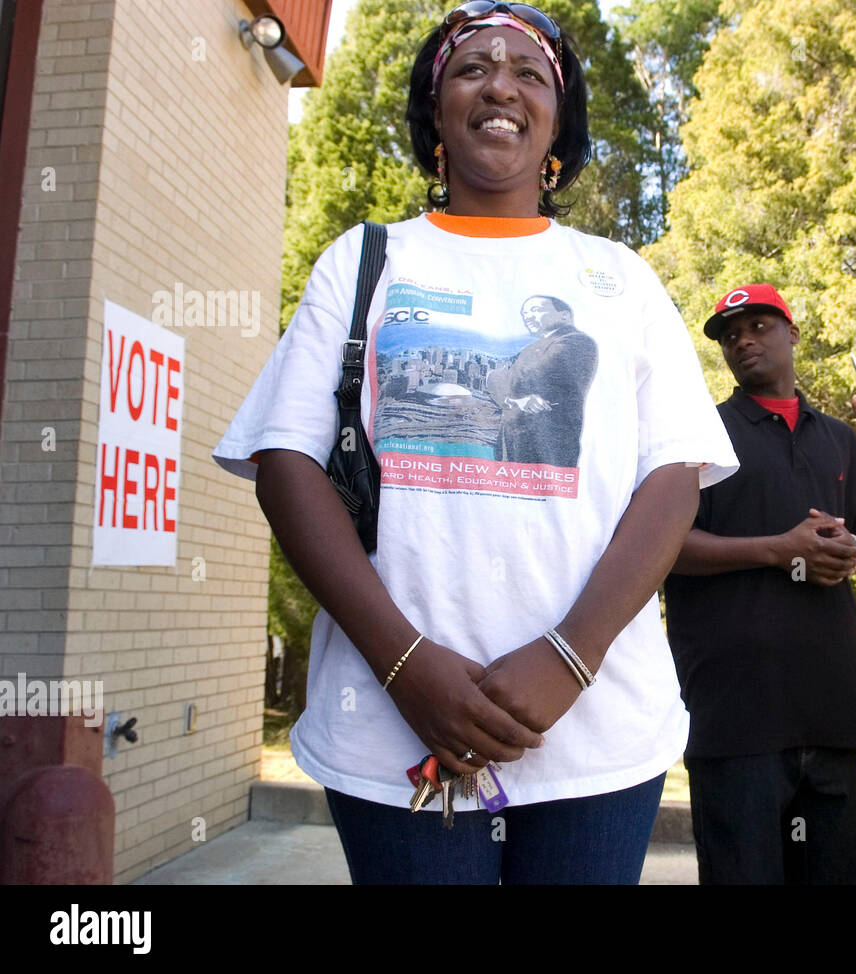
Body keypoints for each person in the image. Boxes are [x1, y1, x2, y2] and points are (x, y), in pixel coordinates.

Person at [212, 2, 738, 885]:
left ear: (557, 121)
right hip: (392, 732)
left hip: (596, 732)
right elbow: (287, 463)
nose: (501, 84)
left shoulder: (620, 279)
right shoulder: (363, 260)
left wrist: (570, 655)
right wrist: (405, 665)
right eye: (473, 69)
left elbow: (674, 477)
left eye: (529, 73)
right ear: (438, 115)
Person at [663, 283, 856, 884]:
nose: (742, 340)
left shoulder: (842, 440)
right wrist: (775, 550)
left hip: (832, 708)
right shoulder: (695, 439)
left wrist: (853, 554)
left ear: (792, 334)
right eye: (729, 334)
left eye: (758, 326)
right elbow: (661, 550)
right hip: (737, 715)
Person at [487, 294, 597, 466]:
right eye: (524, 314)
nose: (528, 317)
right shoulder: (533, 348)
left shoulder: (576, 341)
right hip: (515, 444)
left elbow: (531, 378)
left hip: (546, 450)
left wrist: (502, 378)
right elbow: (494, 376)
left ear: (564, 315)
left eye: (536, 310)